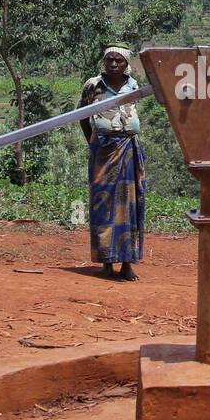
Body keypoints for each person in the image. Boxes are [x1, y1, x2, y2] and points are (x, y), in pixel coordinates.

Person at [77, 47, 146, 281]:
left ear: (126, 63)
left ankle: (127, 263)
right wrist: (94, 143)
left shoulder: (133, 85)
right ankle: (106, 262)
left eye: (118, 60)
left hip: (128, 149)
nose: (113, 64)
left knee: (129, 206)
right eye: (109, 60)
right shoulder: (93, 85)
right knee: (103, 205)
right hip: (103, 152)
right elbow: (81, 115)